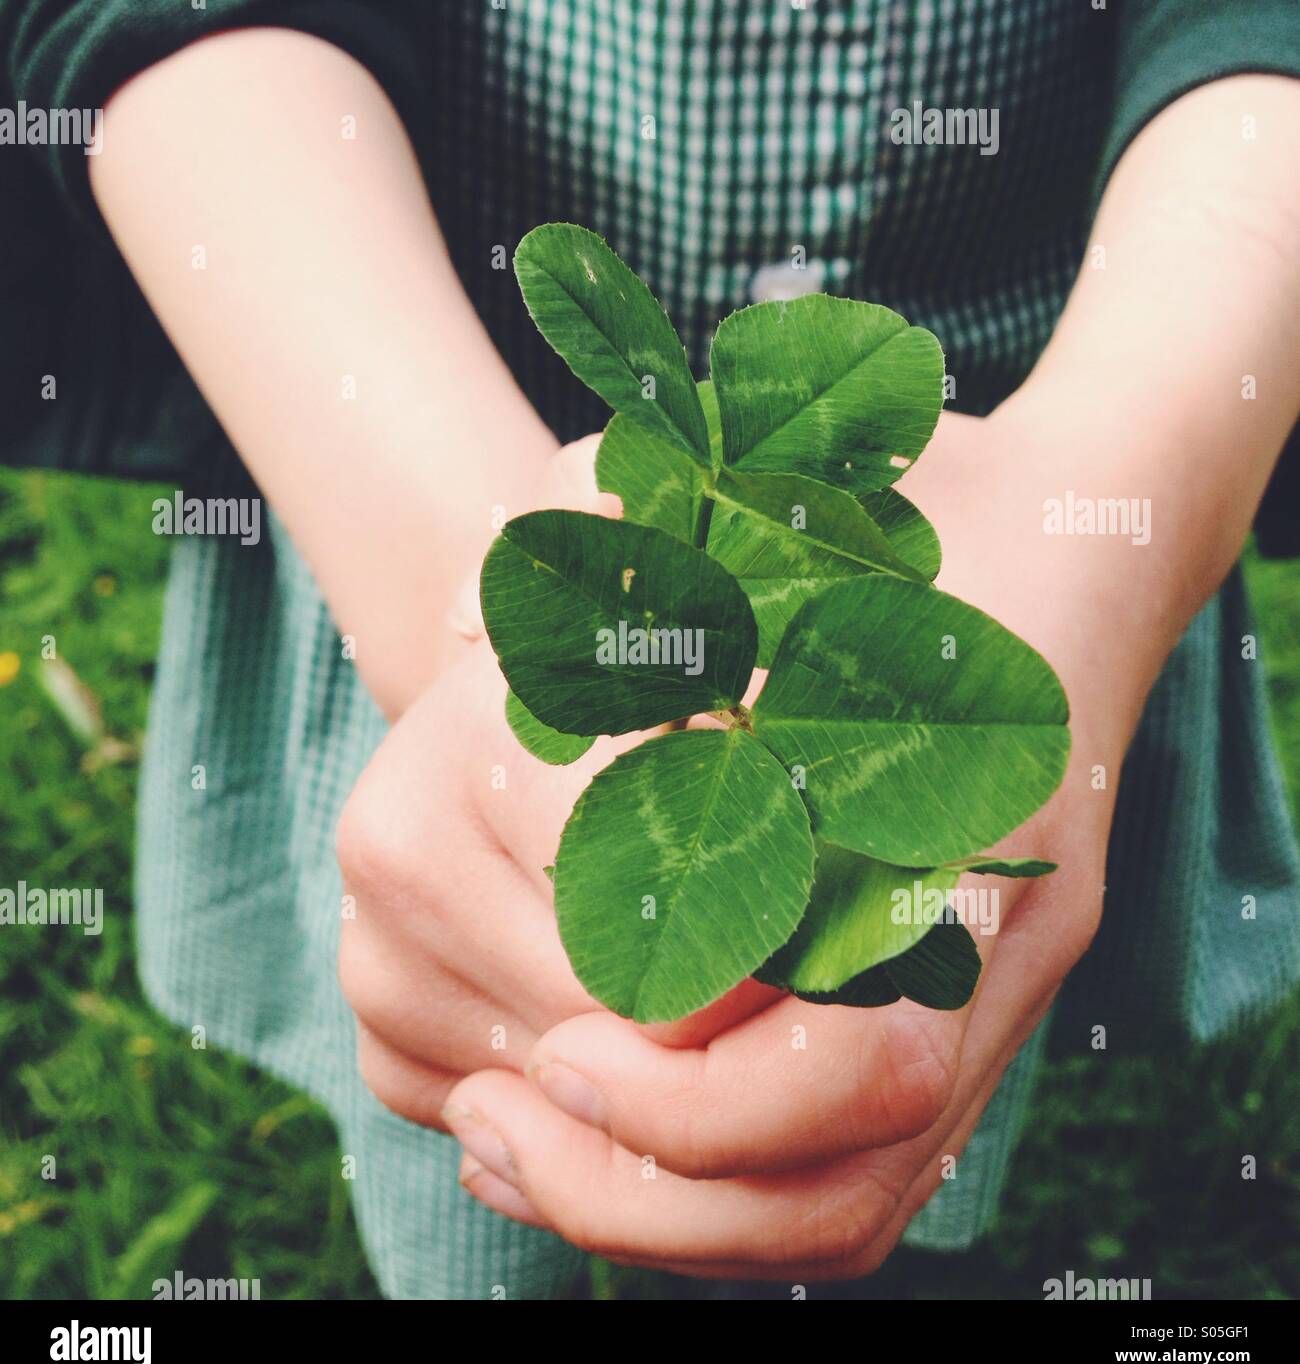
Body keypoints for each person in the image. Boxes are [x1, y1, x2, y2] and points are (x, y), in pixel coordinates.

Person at [3, 0, 1298, 1297]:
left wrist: (1109, 492)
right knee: (484, 1047)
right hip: (392, 411)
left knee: (878, 1091)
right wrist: (455, 576)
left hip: (1026, 477)